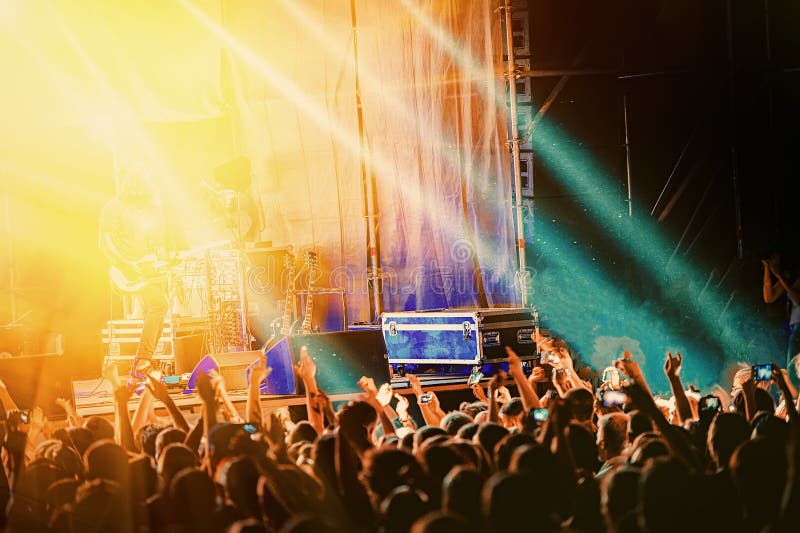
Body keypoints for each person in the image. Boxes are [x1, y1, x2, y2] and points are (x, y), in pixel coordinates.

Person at [99, 169, 171, 381]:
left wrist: (162, 256)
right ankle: (143, 361)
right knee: (158, 305)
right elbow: (106, 241)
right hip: (125, 270)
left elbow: (156, 242)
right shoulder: (114, 207)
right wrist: (125, 264)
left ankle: (140, 366)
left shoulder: (150, 209)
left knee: (160, 307)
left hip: (146, 269)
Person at [761, 254, 800, 382]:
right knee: (786, 367)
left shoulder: (789, 278)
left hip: (797, 328)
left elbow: (797, 299)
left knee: (793, 370)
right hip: (787, 327)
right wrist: (767, 269)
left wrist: (778, 275)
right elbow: (769, 297)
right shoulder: (787, 276)